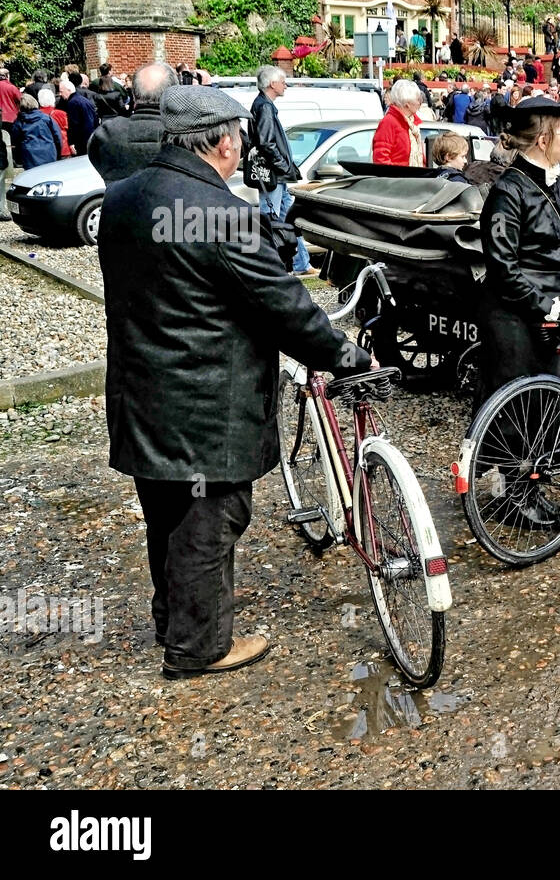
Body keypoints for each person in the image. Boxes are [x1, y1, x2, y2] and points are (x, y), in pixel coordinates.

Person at [98, 85, 373, 679]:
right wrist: (345, 356)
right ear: (223, 140)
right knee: (208, 518)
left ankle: (175, 620)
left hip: (140, 393)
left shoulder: (121, 199)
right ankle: (198, 647)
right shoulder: (220, 214)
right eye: (240, 137)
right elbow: (284, 307)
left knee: (167, 511)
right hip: (203, 404)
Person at [479, 95, 560, 401]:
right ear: (544, 140)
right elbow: (503, 267)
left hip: (553, 309)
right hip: (515, 319)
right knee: (512, 412)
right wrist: (552, 308)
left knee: (547, 405)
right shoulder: (507, 192)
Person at [250, 66, 311, 275]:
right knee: (272, 220)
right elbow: (266, 143)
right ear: (271, 84)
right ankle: (272, 265)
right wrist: (283, 166)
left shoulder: (264, 105)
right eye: (282, 81)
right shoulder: (264, 107)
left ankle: (301, 263)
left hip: (277, 175)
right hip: (274, 175)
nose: (285, 84)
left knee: (287, 218)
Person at [88, 62, 178, 183]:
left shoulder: (108, 133)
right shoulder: (185, 136)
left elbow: (95, 157)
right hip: (174, 201)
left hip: (120, 200)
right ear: (173, 95)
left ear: (134, 96)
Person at [372, 78, 426, 167]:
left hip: (413, 179)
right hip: (399, 179)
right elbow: (381, 160)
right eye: (418, 99)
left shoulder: (411, 123)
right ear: (407, 103)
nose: (420, 102)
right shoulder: (389, 122)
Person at [11, 94, 63, 169]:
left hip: (29, 156)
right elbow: (57, 137)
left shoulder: (19, 122)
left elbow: (15, 140)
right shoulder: (47, 119)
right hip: (49, 153)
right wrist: (58, 154)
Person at [57, 78, 98, 155]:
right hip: (91, 138)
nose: (60, 94)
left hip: (81, 141)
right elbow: (95, 119)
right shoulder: (85, 100)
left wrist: (72, 142)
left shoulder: (72, 103)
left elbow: (73, 125)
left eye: (61, 91)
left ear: (68, 90)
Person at [37, 88, 72, 158]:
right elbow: (70, 130)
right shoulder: (61, 114)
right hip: (63, 150)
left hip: (44, 151)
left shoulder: (36, 115)